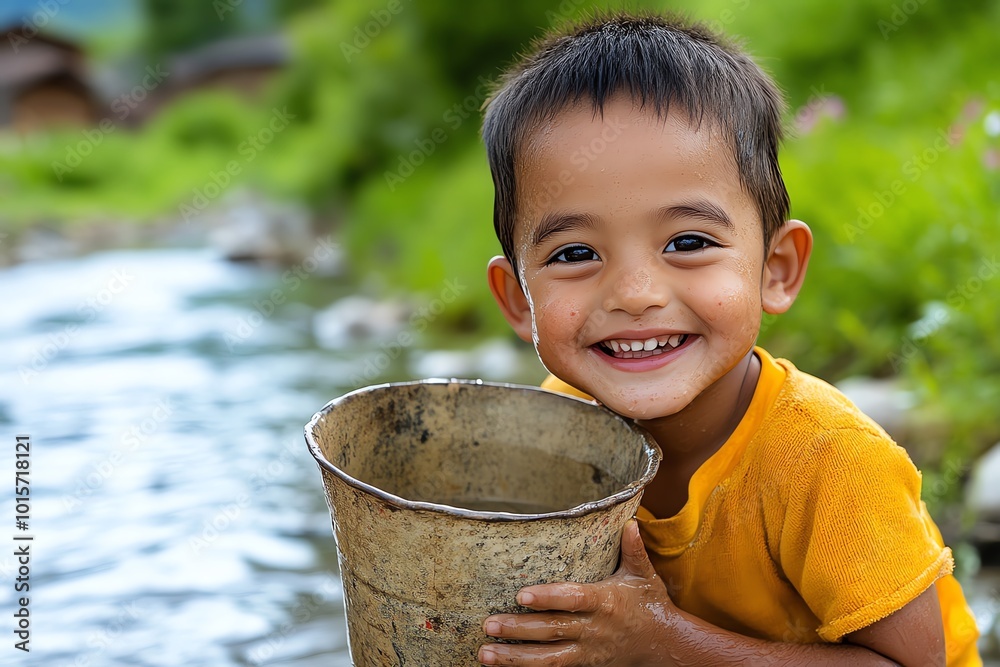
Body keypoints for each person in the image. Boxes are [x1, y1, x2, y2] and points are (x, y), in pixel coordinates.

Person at [478, 12, 981, 666]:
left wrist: (662, 641)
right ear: (519, 301)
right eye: (575, 252)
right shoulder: (558, 428)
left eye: (687, 243)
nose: (635, 293)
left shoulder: (826, 459)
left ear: (777, 269)